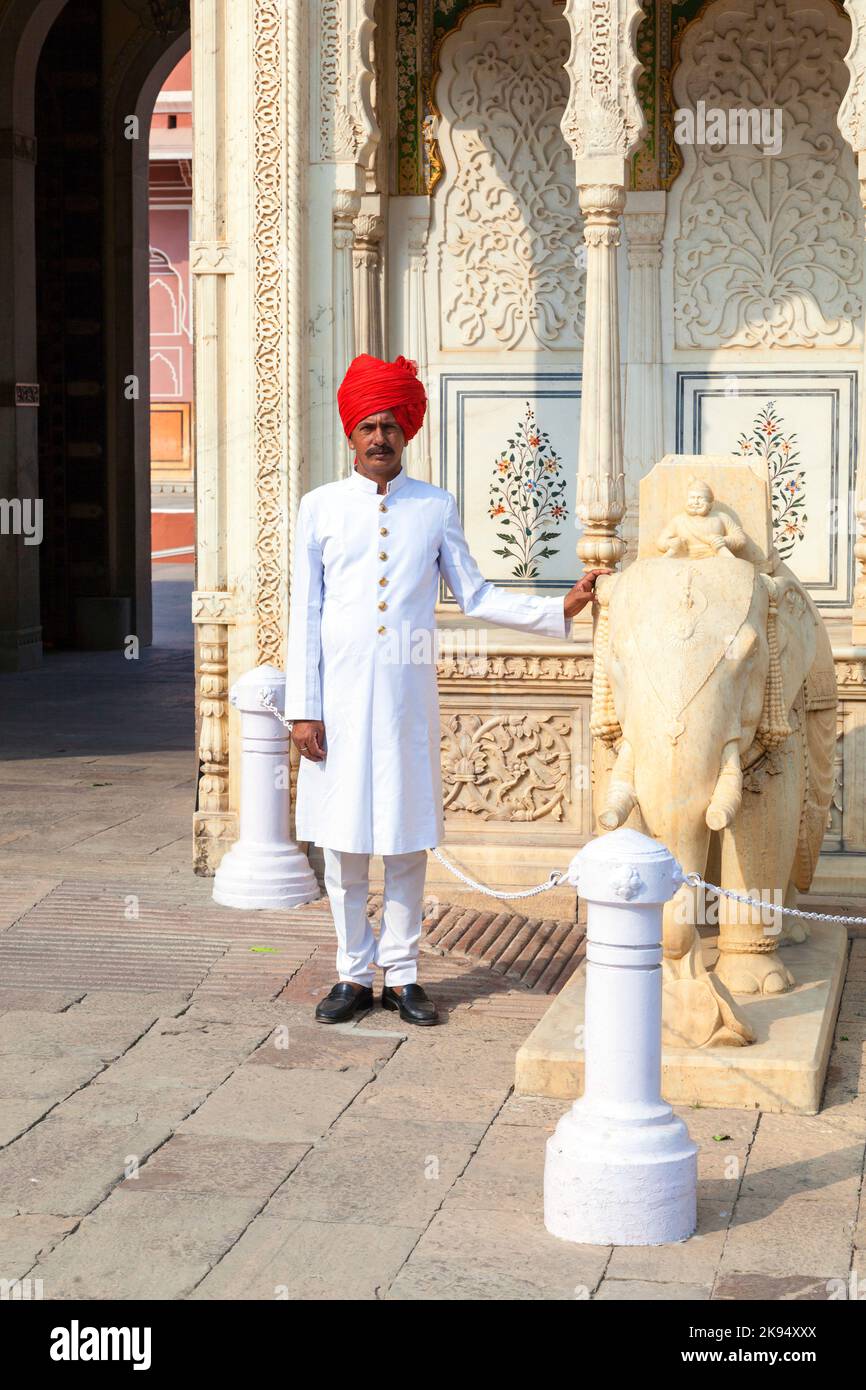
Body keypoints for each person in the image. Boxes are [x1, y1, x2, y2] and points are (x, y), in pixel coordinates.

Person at [285, 352, 607, 1027]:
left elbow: (477, 593)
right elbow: (304, 614)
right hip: (336, 704)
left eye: (391, 427)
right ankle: (351, 974)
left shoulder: (434, 507)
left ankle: (402, 977)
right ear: (351, 434)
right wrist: (303, 709)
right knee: (343, 846)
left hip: (405, 701)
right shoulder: (318, 509)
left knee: (403, 840)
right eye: (369, 426)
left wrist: (560, 608)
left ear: (408, 433)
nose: (380, 438)